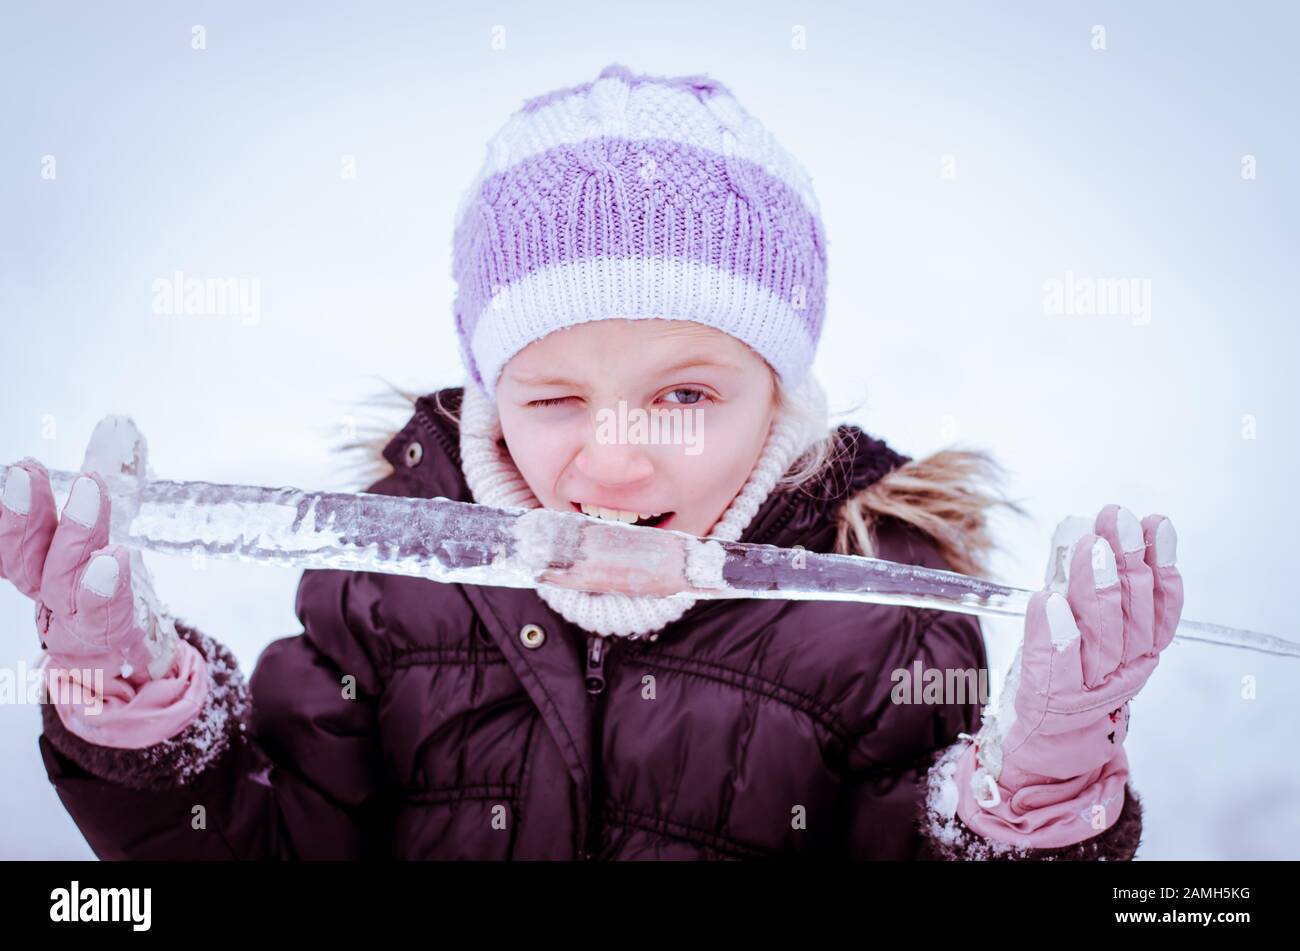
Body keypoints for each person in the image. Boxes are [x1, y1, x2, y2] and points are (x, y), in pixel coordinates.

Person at [2, 63, 1182, 860]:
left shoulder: (885, 630)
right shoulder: (382, 591)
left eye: (684, 393)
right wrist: (134, 710)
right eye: (556, 398)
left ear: (780, 392)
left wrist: (1033, 789)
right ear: (486, 389)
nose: (614, 465)